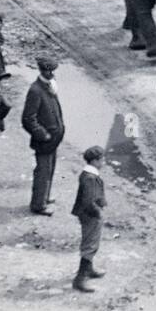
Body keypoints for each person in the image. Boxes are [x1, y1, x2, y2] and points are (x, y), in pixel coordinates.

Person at [22, 54, 66, 216]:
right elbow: (28, 118)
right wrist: (43, 135)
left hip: (52, 139)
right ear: (44, 71)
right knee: (43, 172)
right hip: (45, 141)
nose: (53, 74)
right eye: (51, 71)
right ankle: (38, 204)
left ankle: (44, 197)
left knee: (49, 170)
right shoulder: (36, 90)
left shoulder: (48, 87)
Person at [73, 145, 109, 293]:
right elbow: (89, 201)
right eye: (102, 159)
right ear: (94, 161)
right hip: (90, 215)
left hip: (88, 214)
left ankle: (89, 269)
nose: (104, 161)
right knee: (90, 245)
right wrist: (98, 212)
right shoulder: (90, 177)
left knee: (92, 242)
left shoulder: (88, 174)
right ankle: (80, 279)